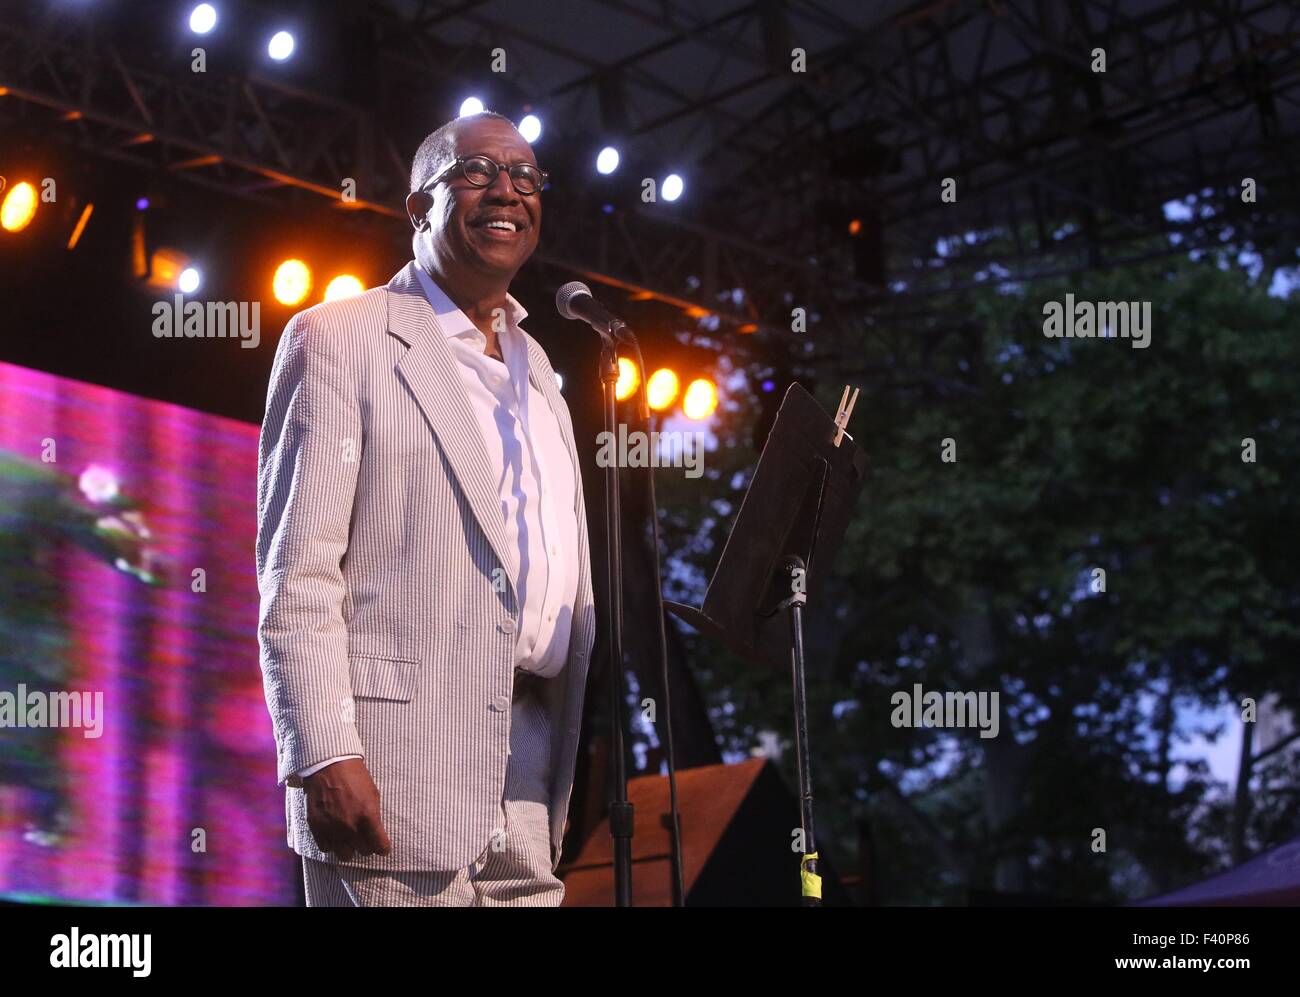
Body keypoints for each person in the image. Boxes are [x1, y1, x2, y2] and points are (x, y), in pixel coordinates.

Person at [255, 110, 595, 906]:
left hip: (529, 761)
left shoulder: (540, 368)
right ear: (418, 207)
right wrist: (321, 750)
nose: (505, 189)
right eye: (475, 171)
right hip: (392, 763)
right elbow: (296, 570)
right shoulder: (340, 337)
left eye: (524, 175)